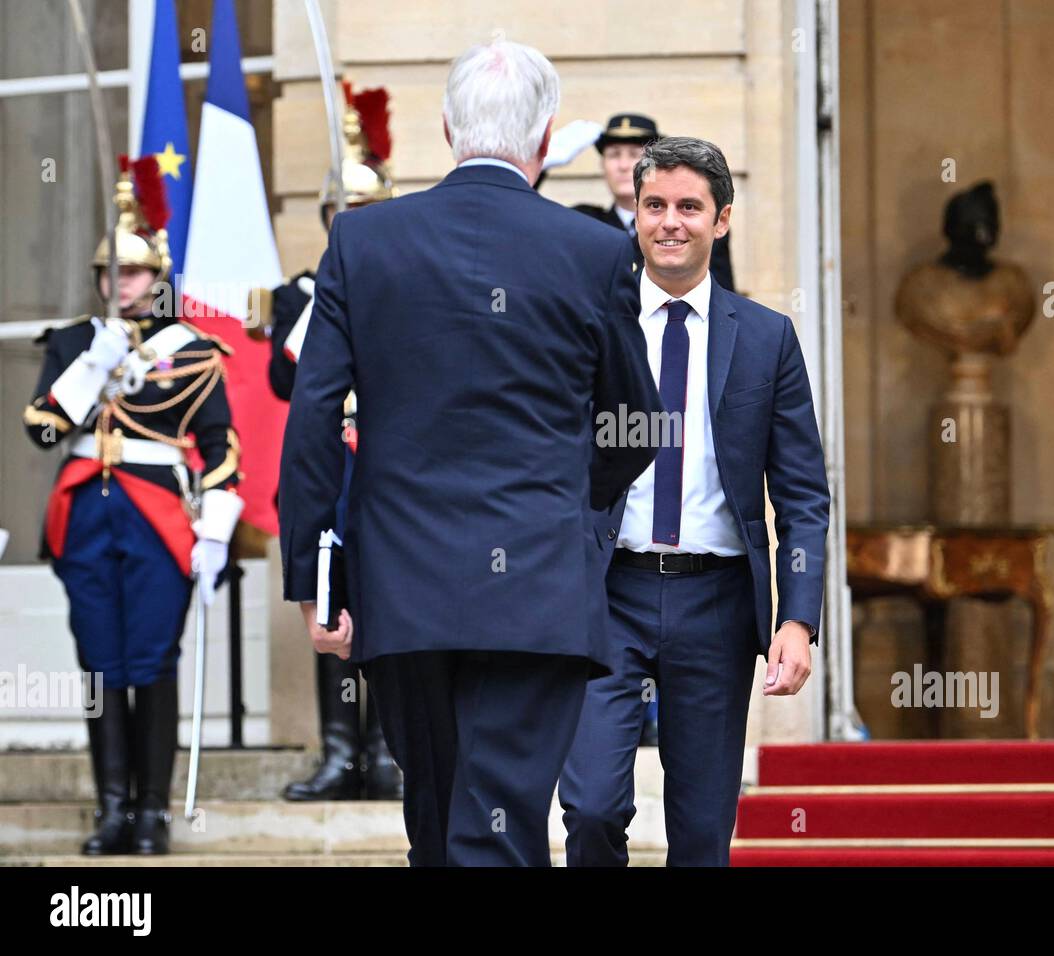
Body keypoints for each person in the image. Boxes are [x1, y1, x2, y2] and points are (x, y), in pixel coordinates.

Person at [277, 39, 662, 866]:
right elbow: (635, 421)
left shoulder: (362, 241)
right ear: (544, 133)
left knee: (439, 823)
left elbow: (312, 417)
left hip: (405, 585)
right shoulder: (597, 251)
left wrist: (314, 577)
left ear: (449, 129)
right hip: (537, 585)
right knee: (496, 826)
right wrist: (571, 501)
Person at [559, 136, 831, 866]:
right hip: (604, 593)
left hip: (716, 600)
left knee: (703, 831)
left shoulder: (767, 339)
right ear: (636, 217)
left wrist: (798, 619)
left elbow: (803, 491)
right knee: (588, 807)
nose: (669, 221)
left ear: (722, 220)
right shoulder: (591, 329)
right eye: (654, 205)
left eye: (688, 206)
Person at [22, 155, 243, 855]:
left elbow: (222, 447)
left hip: (156, 515)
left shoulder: (193, 351)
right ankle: (110, 809)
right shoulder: (72, 344)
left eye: (135, 273)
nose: (122, 283)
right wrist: (92, 365)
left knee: (151, 660)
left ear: (158, 278)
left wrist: (215, 525)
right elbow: (45, 431)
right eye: (110, 274)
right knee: (98, 661)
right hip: (86, 509)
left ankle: (151, 811)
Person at [259, 82, 402, 802]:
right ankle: (339, 751)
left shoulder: (404, 288)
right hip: (326, 474)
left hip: (380, 467)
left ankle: (385, 752)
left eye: (365, 213)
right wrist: (327, 293)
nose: (350, 222)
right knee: (328, 608)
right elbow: (284, 379)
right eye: (341, 213)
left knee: (387, 606)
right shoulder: (298, 295)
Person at [574, 113, 735, 292]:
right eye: (614, 155)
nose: (624, 165)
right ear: (602, 164)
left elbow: (723, 298)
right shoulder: (585, 221)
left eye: (635, 154)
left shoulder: (702, 225)